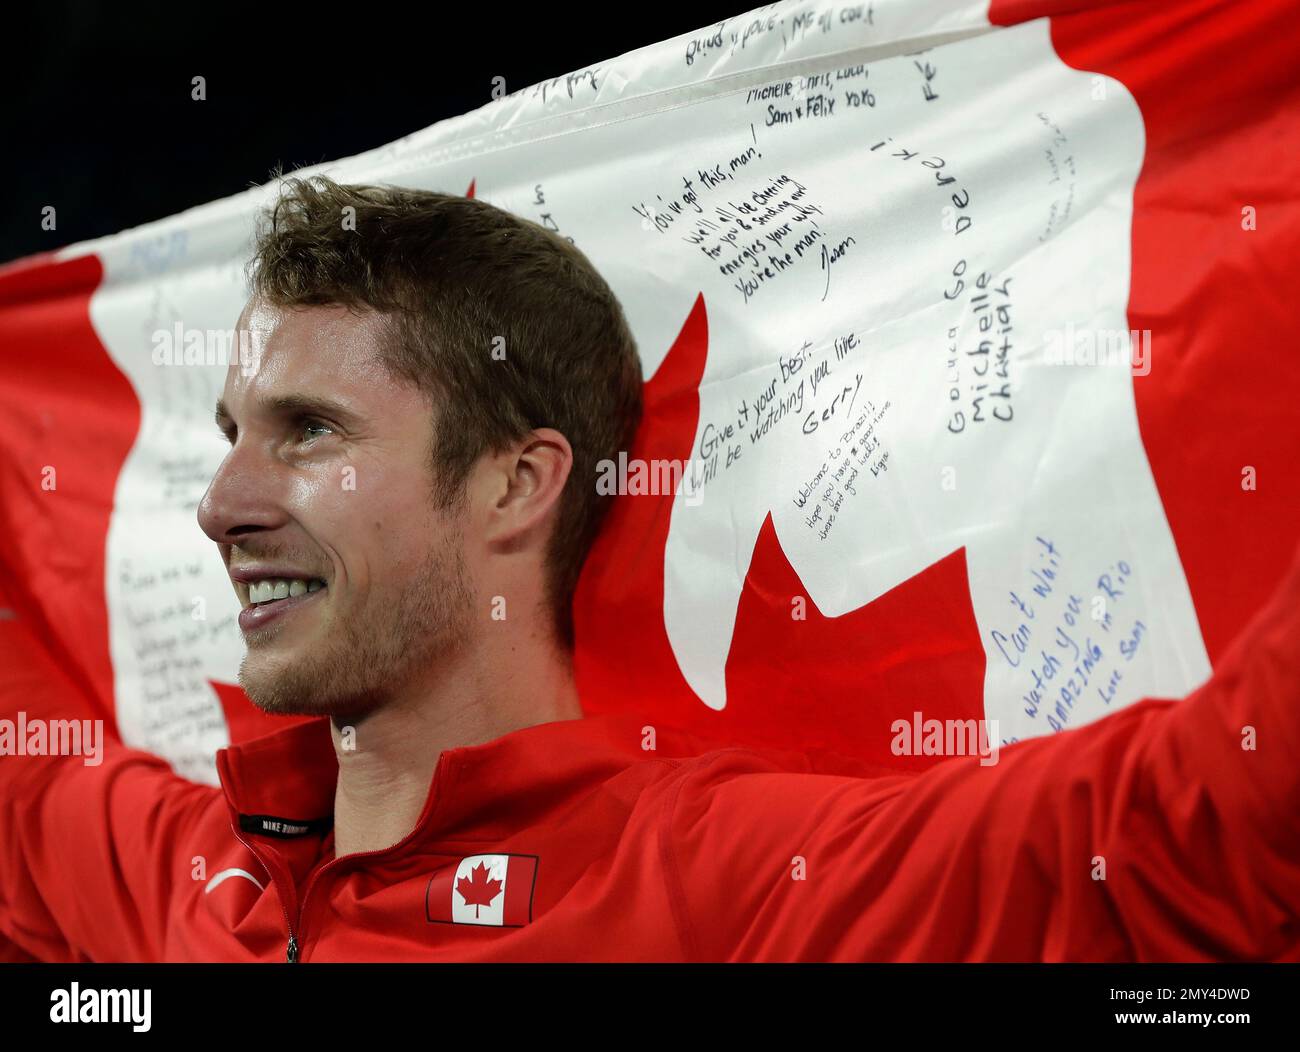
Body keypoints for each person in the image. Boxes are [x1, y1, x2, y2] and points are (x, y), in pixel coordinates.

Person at [1, 176, 1296, 962]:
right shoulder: (180, 877)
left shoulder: (707, 885)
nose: (222, 506)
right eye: (232, 439)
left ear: (516, 484)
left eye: (311, 434)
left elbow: (1190, 829)